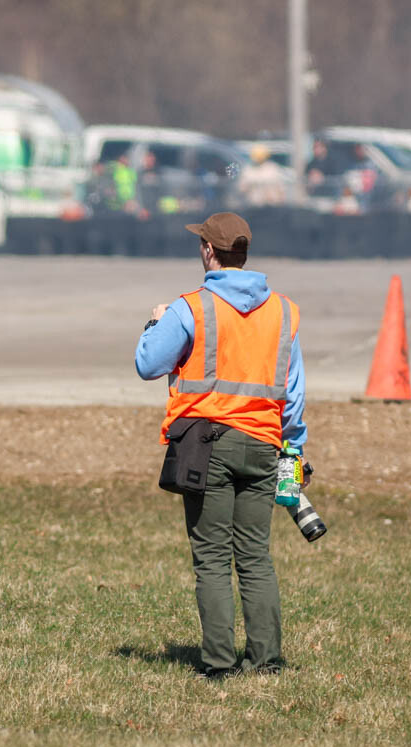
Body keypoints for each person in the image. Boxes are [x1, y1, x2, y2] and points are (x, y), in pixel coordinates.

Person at [135, 212, 307, 678]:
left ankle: (218, 664)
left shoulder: (191, 307)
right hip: (265, 445)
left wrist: (154, 324)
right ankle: (266, 660)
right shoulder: (284, 311)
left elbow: (149, 365)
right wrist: (293, 450)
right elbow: (292, 395)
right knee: (255, 555)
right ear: (244, 253)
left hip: (207, 446)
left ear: (209, 251)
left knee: (212, 557)